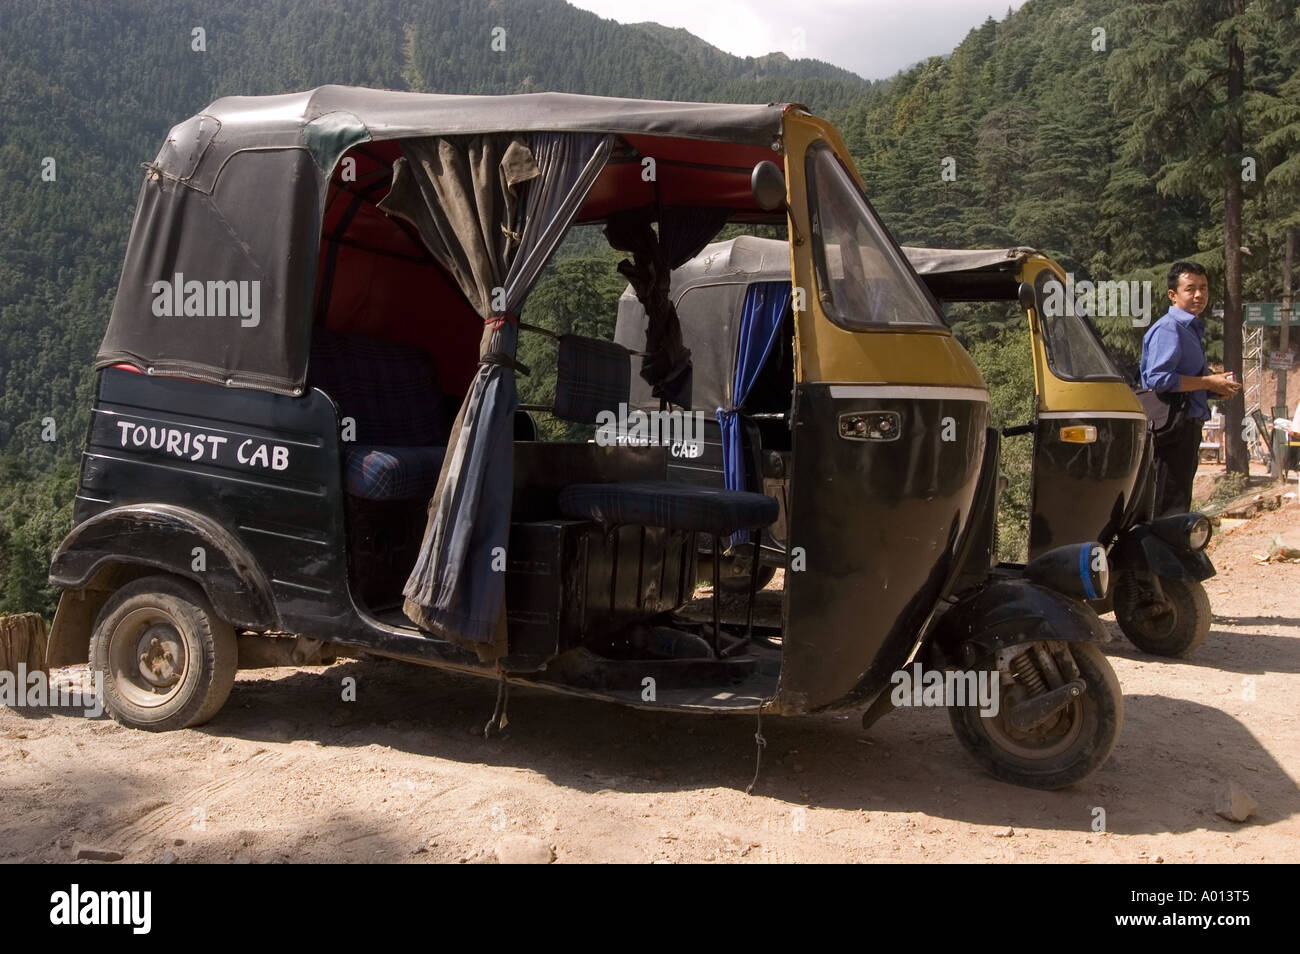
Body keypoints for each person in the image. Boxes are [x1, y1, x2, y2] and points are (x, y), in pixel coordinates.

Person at [1140, 261, 1241, 516]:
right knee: (1167, 510)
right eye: (1191, 289)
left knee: (1178, 506)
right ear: (1173, 295)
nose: (1199, 295)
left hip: (1185, 430)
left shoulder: (1191, 328)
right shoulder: (1169, 328)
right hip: (1170, 432)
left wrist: (1214, 388)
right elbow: (1159, 379)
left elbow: (1183, 381)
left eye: (1204, 288)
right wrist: (1208, 382)